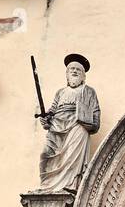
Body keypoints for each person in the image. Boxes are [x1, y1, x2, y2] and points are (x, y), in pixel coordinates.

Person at [37, 54, 100, 194]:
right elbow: (51, 112)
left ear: (84, 76)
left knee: (72, 156)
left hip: (77, 127)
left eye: (78, 70)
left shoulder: (88, 91)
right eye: (72, 69)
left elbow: (95, 116)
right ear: (67, 74)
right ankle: (48, 186)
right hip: (57, 127)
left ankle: (69, 185)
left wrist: (89, 123)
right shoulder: (60, 92)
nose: (75, 71)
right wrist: (46, 120)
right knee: (45, 154)